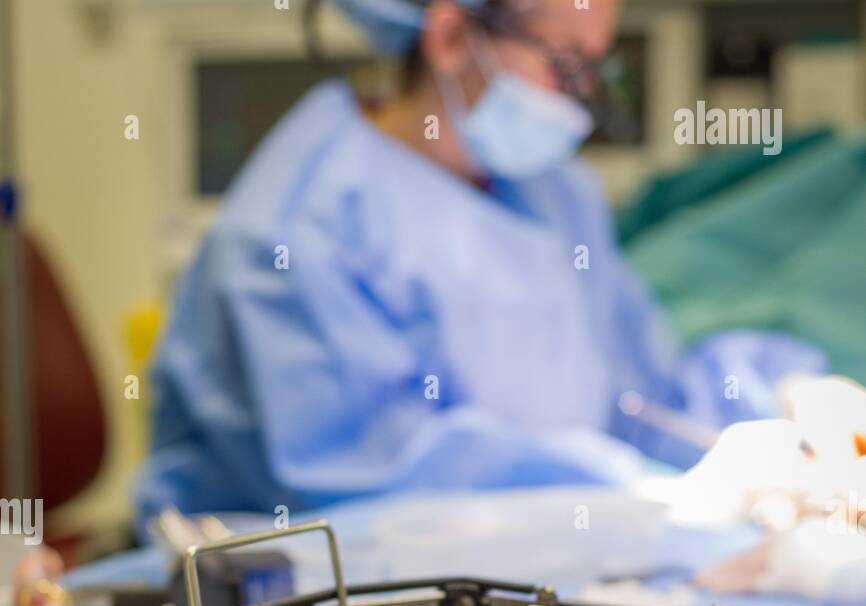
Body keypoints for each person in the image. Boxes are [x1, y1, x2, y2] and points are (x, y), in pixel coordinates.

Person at [134, 0, 824, 528]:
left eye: (598, 68)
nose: (583, 101)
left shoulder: (555, 195)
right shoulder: (292, 233)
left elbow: (641, 392)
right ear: (451, 37)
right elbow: (374, 477)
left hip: (558, 554)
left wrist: (780, 400)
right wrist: (630, 491)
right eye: (567, 66)